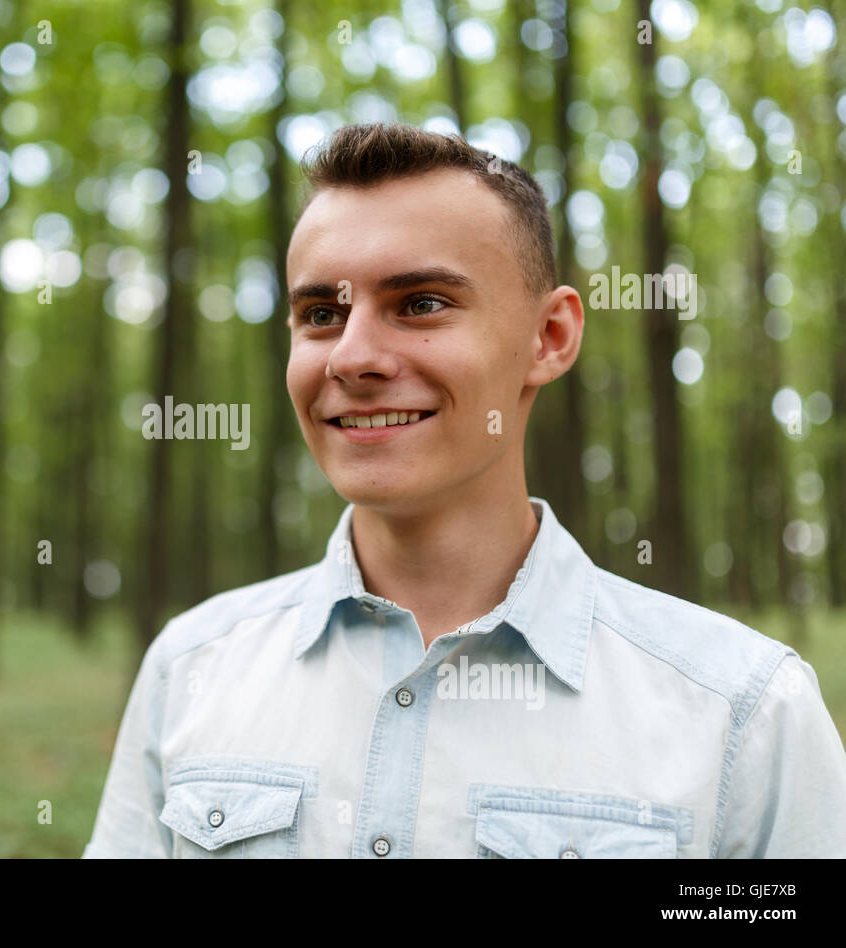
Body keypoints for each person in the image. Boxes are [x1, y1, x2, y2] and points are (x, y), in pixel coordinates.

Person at [82, 122, 846, 858]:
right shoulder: (191, 666)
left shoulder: (744, 711)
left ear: (549, 338)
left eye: (420, 303)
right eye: (321, 314)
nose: (352, 357)